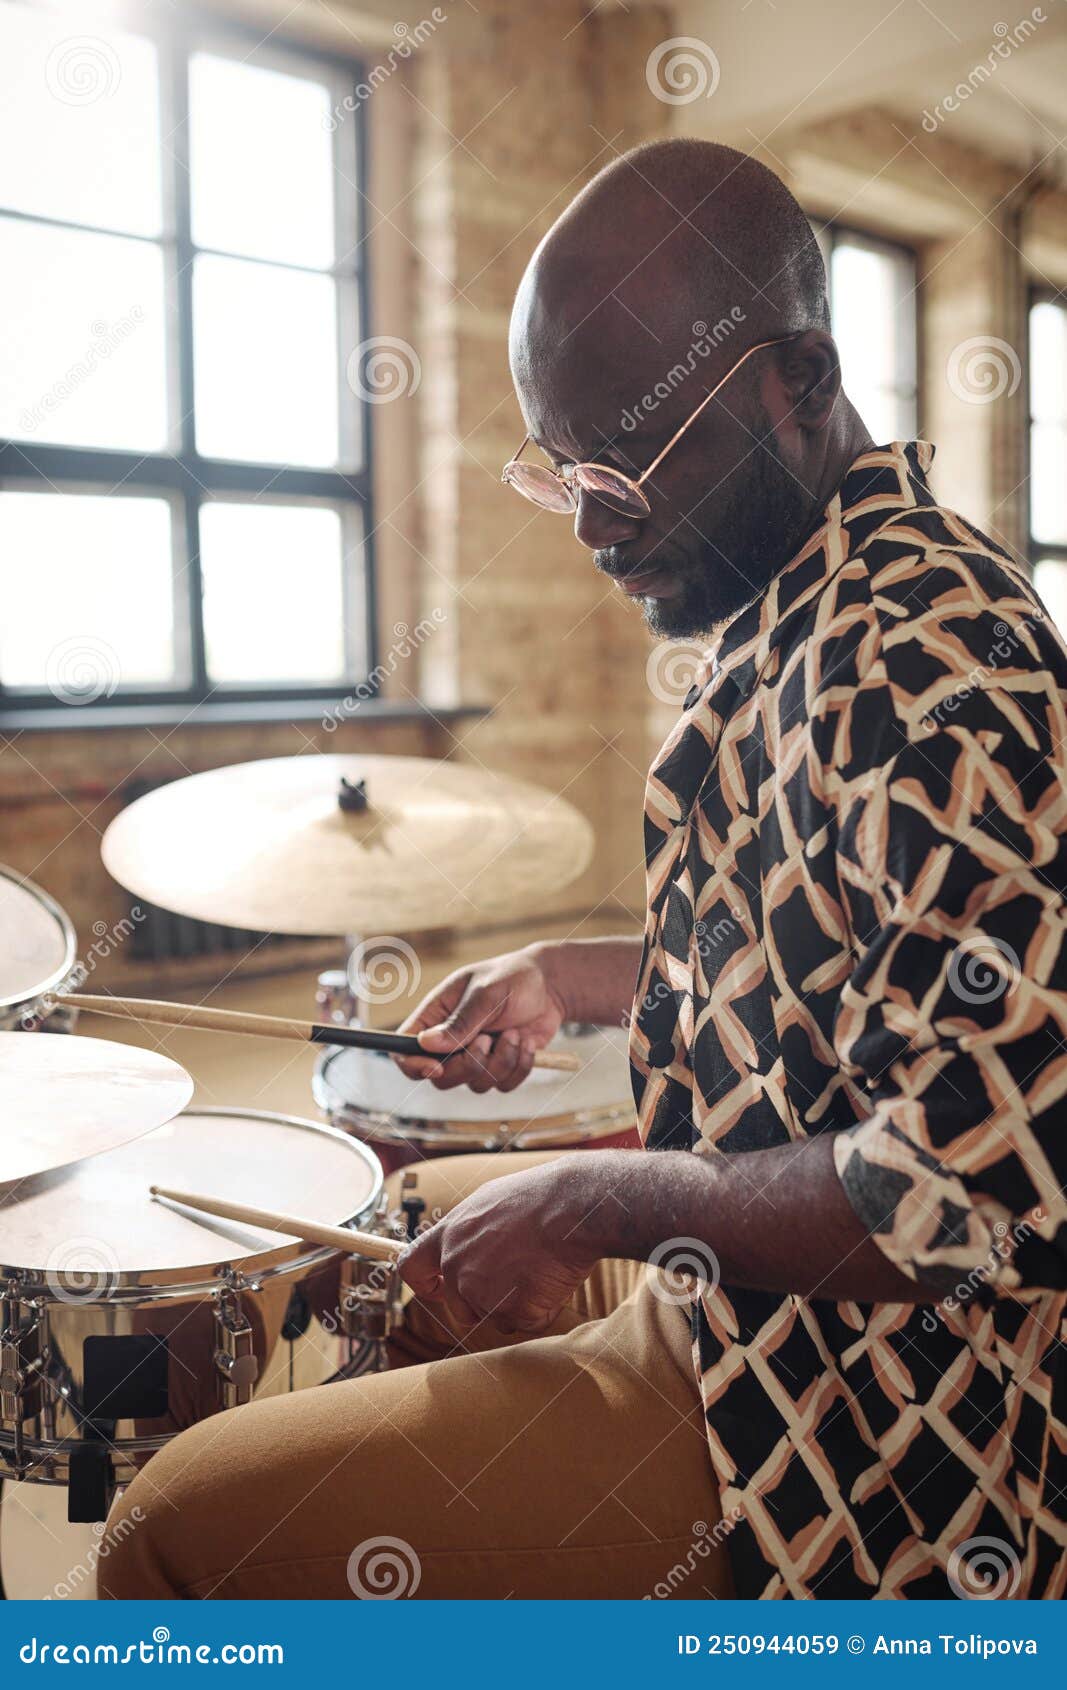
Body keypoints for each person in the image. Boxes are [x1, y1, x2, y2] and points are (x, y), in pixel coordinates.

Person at [101, 138, 1066, 1602]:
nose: (596, 526)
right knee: (413, 1254)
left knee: (167, 1523)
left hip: (854, 1443)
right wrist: (578, 976)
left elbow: (965, 1193)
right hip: (740, 1319)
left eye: (628, 469)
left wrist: (592, 1204)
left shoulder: (943, 675)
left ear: (797, 382)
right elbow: (841, 951)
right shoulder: (804, 597)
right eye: (567, 472)